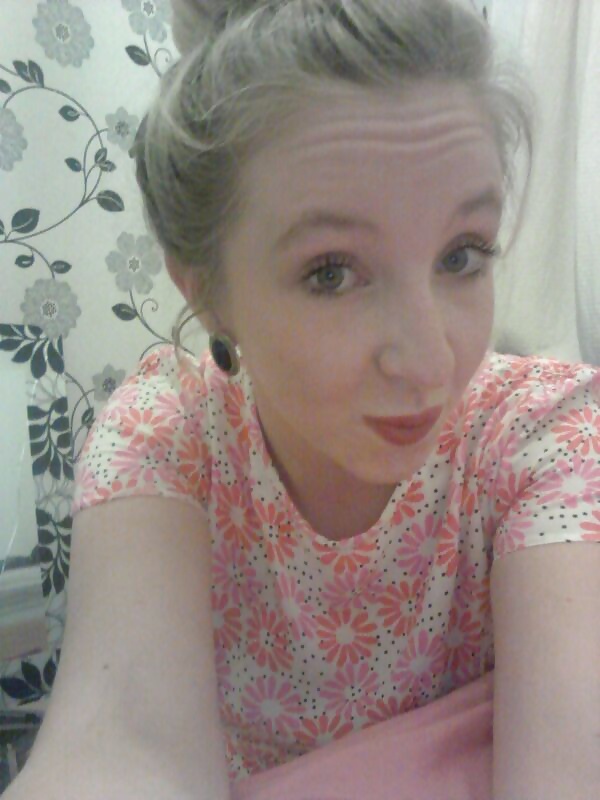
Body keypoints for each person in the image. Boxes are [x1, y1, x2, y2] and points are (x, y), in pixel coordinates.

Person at [6, 1, 600, 799]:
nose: (431, 360)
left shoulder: (543, 434)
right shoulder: (170, 439)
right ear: (207, 291)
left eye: (462, 255)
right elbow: (122, 742)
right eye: (332, 272)